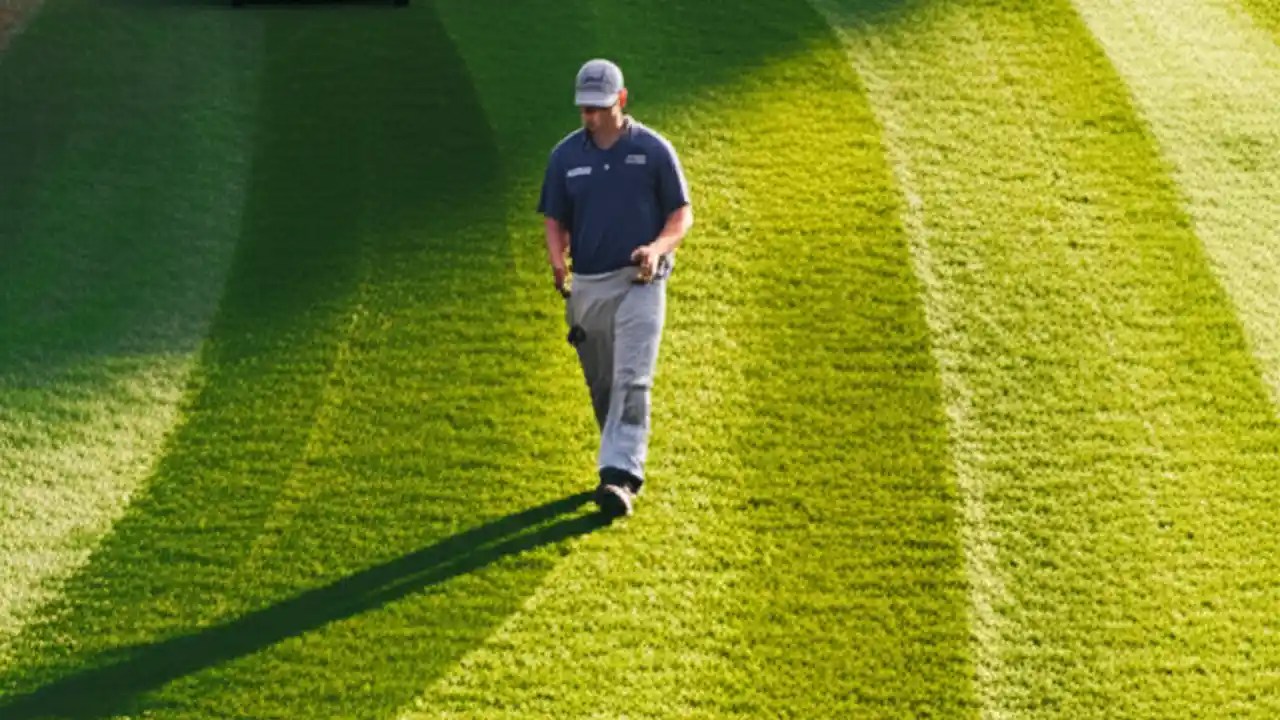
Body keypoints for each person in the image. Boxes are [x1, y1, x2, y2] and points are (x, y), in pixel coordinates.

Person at [537, 58, 694, 518]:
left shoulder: (653, 151)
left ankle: (619, 476)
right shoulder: (565, 157)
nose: (589, 116)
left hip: (639, 281)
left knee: (632, 376)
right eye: (584, 108)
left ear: (621, 101)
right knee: (602, 381)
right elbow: (554, 217)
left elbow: (681, 214)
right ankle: (618, 454)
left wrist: (657, 248)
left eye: (598, 108)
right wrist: (556, 260)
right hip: (587, 284)